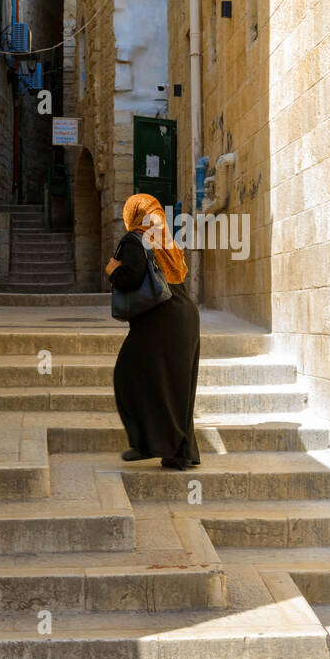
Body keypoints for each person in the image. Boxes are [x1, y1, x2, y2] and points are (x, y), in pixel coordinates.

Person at [106, 193, 200, 470]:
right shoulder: (167, 240)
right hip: (186, 316)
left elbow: (132, 277)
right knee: (178, 386)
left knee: (128, 373)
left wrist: (113, 270)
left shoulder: (135, 238)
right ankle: (182, 453)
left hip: (162, 317)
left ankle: (147, 443)